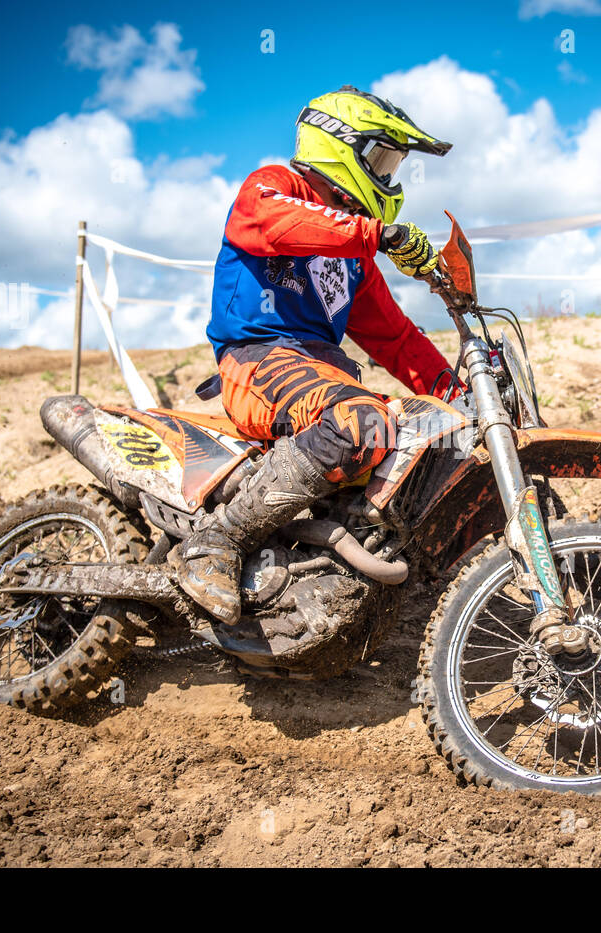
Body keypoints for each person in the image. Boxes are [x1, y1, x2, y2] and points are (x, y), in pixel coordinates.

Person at [173, 85, 459, 624]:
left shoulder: (354, 259)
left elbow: (396, 339)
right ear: (337, 146)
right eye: (381, 158)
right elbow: (271, 221)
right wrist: (381, 234)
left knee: (432, 432)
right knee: (361, 421)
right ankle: (214, 543)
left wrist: (457, 393)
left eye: (393, 164)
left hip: (322, 374)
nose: (389, 177)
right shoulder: (274, 187)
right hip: (258, 360)